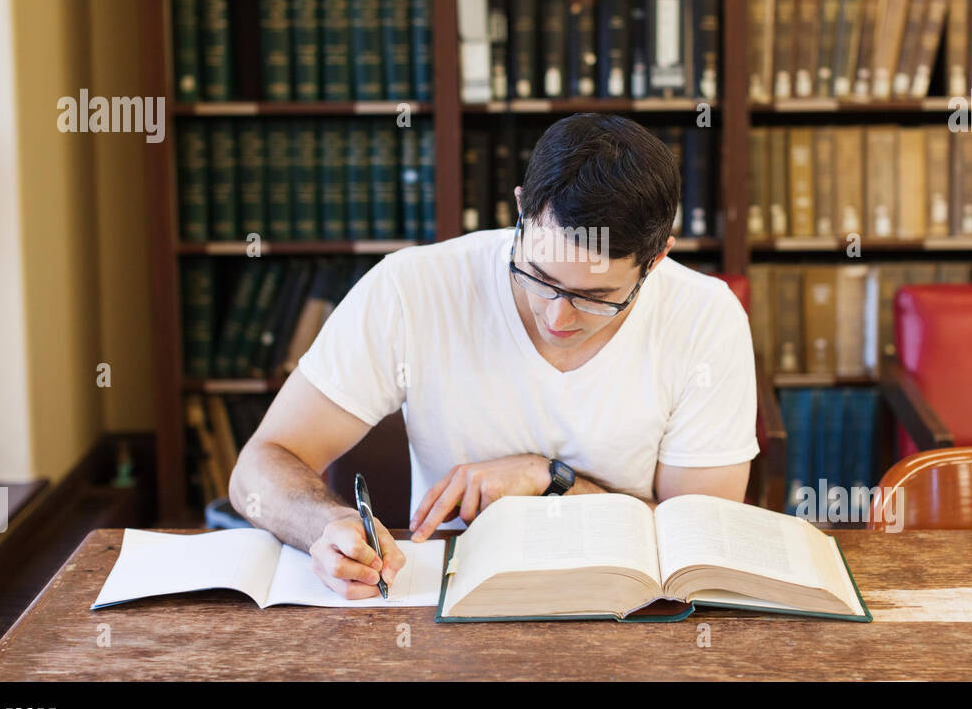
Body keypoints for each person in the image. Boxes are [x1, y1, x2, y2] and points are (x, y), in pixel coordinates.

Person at [229, 113, 759, 598]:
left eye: (596, 299)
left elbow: (696, 541)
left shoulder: (706, 318)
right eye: (539, 277)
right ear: (521, 209)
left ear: (657, 259)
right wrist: (324, 526)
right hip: (450, 601)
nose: (557, 318)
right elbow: (260, 465)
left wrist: (548, 479)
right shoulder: (412, 287)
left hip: (629, 610)